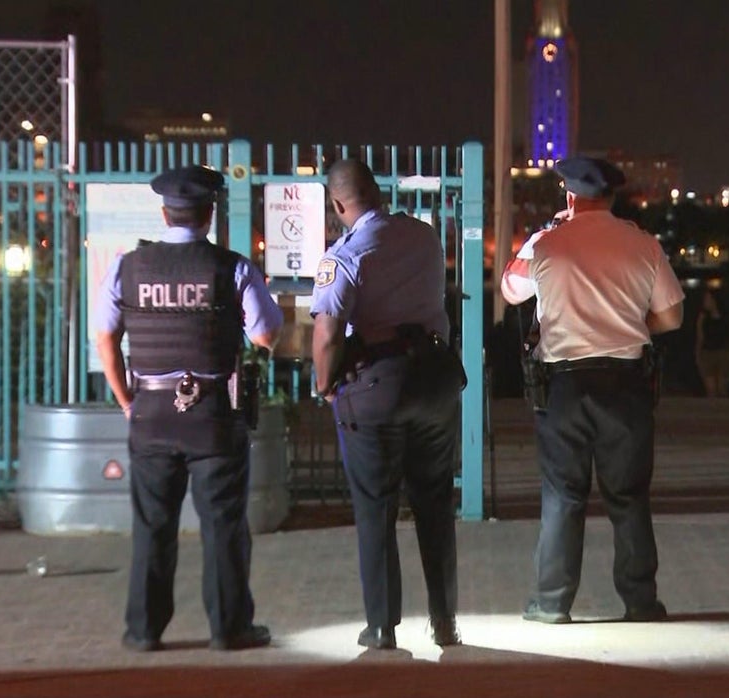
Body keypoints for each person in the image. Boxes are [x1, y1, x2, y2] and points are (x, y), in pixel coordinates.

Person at [92, 165, 282, 652]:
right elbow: (264, 335)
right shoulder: (232, 267)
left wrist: (126, 401)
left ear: (164, 213)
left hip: (151, 414)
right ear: (209, 213)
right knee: (223, 526)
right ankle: (230, 628)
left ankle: (144, 631)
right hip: (213, 417)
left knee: (153, 527)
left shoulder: (128, 267)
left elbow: (105, 336)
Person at [501, 156, 684, 625]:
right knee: (629, 496)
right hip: (625, 384)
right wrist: (624, 324)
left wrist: (543, 233)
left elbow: (508, 289)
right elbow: (671, 317)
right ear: (611, 196)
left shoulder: (547, 243)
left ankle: (552, 602)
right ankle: (641, 601)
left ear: (569, 196)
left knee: (563, 495)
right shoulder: (643, 244)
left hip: (563, 386)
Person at [310, 159, 464, 651]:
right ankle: (444, 622)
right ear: (376, 192)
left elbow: (327, 333)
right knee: (435, 503)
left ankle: (382, 627)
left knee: (376, 506)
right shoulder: (423, 235)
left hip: (377, 385)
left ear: (338, 205)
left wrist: (324, 386)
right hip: (436, 379)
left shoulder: (346, 253)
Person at [695, 289, 729, 397]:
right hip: (708, 353)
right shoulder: (703, 318)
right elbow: (700, 338)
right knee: (711, 391)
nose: (705, 302)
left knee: (722, 390)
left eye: (708, 299)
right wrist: (698, 356)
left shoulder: (728, 318)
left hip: (723, 354)